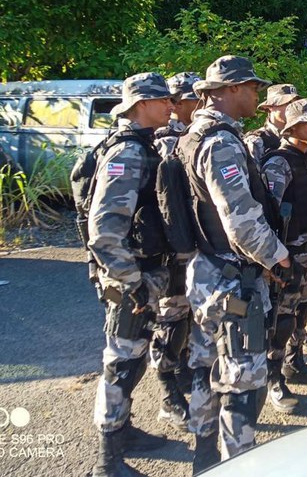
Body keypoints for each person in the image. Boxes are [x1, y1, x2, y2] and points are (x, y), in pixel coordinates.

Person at [183, 55, 291, 473]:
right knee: (242, 385)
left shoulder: (194, 134)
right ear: (229, 90)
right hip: (231, 283)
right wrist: (279, 258)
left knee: (206, 370)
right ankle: (236, 465)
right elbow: (240, 220)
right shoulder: (221, 142)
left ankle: (204, 459)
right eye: (250, 87)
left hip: (208, 272)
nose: (256, 94)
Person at [88, 72, 175, 477]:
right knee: (120, 362)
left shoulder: (145, 145)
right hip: (130, 280)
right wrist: (130, 281)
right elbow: (104, 230)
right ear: (141, 104)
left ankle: (125, 431)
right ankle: (108, 460)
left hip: (144, 274)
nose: (171, 106)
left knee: (135, 358)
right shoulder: (127, 153)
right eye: (163, 100)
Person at [261, 98, 307, 413]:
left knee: (305, 309)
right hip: (288, 255)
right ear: (292, 128)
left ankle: (295, 361)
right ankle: (273, 379)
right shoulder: (278, 162)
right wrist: (275, 260)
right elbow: (269, 216)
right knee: (282, 319)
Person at [149, 72, 201, 431]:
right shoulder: (163, 141)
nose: (199, 103)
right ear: (176, 103)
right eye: (191, 98)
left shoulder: (193, 136)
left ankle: (183, 378)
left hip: (193, 245)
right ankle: (169, 395)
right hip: (170, 251)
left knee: (189, 318)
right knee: (170, 321)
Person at [243, 83, 301, 165]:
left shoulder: (301, 137)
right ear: (269, 107)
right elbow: (252, 175)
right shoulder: (256, 141)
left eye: (295, 105)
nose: (292, 109)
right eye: (287, 104)